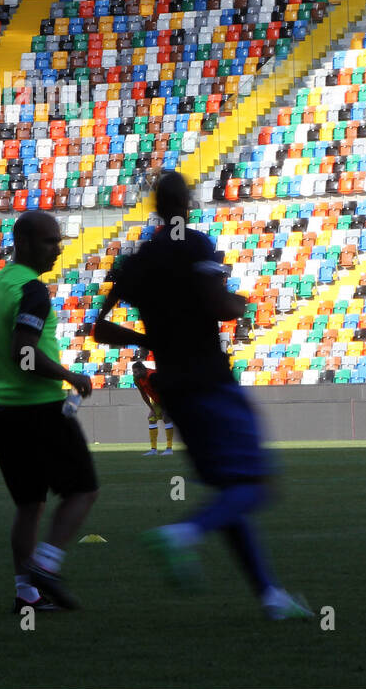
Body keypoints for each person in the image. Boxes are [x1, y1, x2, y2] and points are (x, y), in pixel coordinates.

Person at [93, 171, 311, 620]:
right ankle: (185, 532)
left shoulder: (138, 260)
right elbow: (218, 304)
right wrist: (241, 305)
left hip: (171, 386)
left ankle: (271, 596)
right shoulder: (194, 244)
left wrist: (150, 341)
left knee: (228, 487)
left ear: (155, 205)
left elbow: (99, 326)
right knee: (255, 484)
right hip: (209, 378)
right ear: (187, 203)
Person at [0, 211, 98, 612]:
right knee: (83, 489)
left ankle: (25, 593)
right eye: (50, 241)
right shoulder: (32, 290)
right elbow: (24, 353)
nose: (58, 248)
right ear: (26, 243)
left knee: (29, 504)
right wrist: (71, 376)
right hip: (41, 409)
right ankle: (46, 565)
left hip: (2, 410)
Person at [132, 359, 175, 455]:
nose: (134, 374)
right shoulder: (136, 379)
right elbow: (143, 395)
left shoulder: (152, 376)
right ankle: (153, 450)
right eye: (133, 372)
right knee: (151, 418)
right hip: (156, 399)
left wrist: (164, 409)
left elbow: (163, 393)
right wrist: (151, 409)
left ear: (143, 370)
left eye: (136, 372)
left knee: (166, 418)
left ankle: (169, 449)